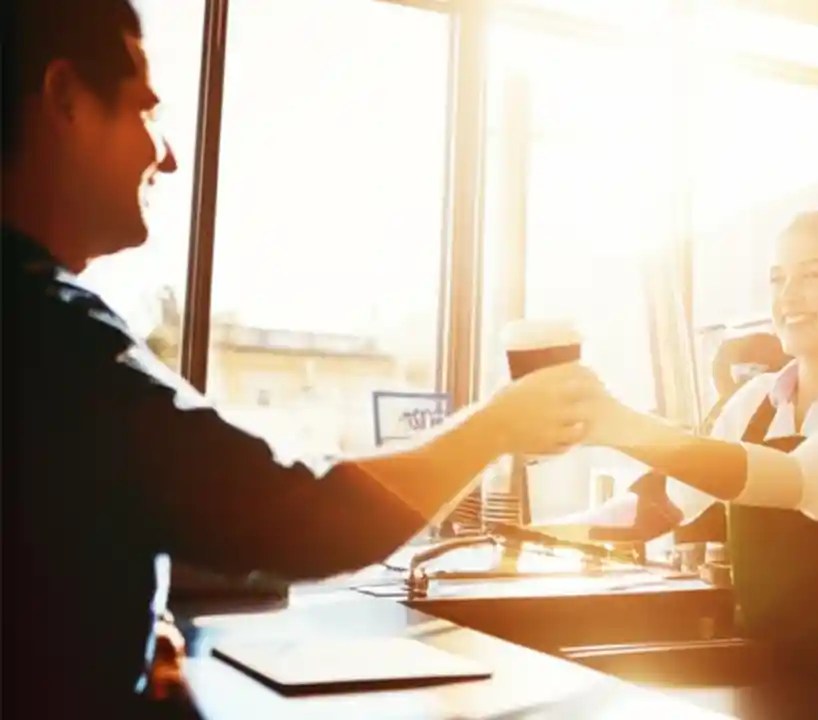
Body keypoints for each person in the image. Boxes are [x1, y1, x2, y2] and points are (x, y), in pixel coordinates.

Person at [0, 1, 598, 715]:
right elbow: (304, 516)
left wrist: (107, 639)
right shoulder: (54, 336)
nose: (166, 154)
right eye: (143, 110)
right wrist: (499, 425)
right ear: (65, 98)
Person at [585, 211, 818, 716]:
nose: (788, 295)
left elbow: (802, 479)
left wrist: (618, 426)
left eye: (812, 274)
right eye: (778, 279)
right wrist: (532, 536)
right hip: (771, 684)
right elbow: (664, 504)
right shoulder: (754, 401)